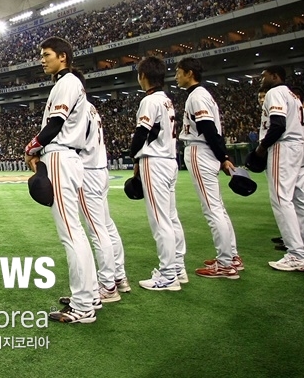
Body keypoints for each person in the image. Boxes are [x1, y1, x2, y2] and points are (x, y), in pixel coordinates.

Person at [24, 36, 98, 324]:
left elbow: (55, 125)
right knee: (76, 231)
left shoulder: (66, 83)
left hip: (61, 156)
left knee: (71, 233)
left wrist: (31, 146)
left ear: (63, 56)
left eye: (47, 54)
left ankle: (82, 307)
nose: (43, 60)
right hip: (67, 157)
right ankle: (88, 295)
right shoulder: (69, 84)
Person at [174, 57, 242, 279]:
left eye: (179, 72)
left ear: (190, 73)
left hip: (200, 150)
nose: (176, 76)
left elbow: (207, 128)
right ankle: (231, 256)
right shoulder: (203, 95)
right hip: (207, 151)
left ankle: (225, 263)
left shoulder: (197, 96)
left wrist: (222, 156)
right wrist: (221, 156)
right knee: (218, 206)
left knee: (212, 208)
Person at [254, 67, 304, 271]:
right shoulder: (293, 95)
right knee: (301, 200)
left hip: (283, 147)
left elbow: (278, 125)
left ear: (275, 76)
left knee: (282, 199)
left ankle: (296, 254)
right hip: (299, 148)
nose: (261, 79)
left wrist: (261, 148)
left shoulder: (275, 92)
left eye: (264, 75)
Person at [130, 56, 185, 291]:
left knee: (160, 221)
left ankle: (168, 274)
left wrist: (134, 156)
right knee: (171, 218)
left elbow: (142, 134)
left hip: (155, 162)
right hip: (170, 160)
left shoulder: (150, 101)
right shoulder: (166, 100)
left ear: (143, 76)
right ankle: (178, 267)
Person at [77, 93, 129, 302]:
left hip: (88, 171)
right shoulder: (91, 107)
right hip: (100, 169)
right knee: (107, 226)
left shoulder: (78, 107)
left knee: (97, 231)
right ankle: (119, 277)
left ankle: (107, 285)